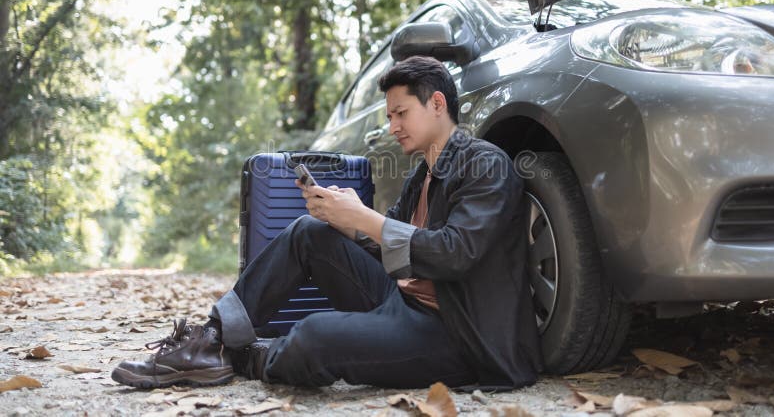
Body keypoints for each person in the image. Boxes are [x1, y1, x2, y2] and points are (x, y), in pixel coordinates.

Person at [111, 55, 543, 391]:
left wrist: (366, 220)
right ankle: (212, 339)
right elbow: (386, 244)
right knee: (308, 232)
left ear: (436, 104)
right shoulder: (422, 173)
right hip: (403, 302)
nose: (392, 126)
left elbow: (455, 253)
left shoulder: (487, 165)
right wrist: (347, 221)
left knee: (313, 336)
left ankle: (239, 359)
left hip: (456, 334)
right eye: (388, 116)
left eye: (400, 113)